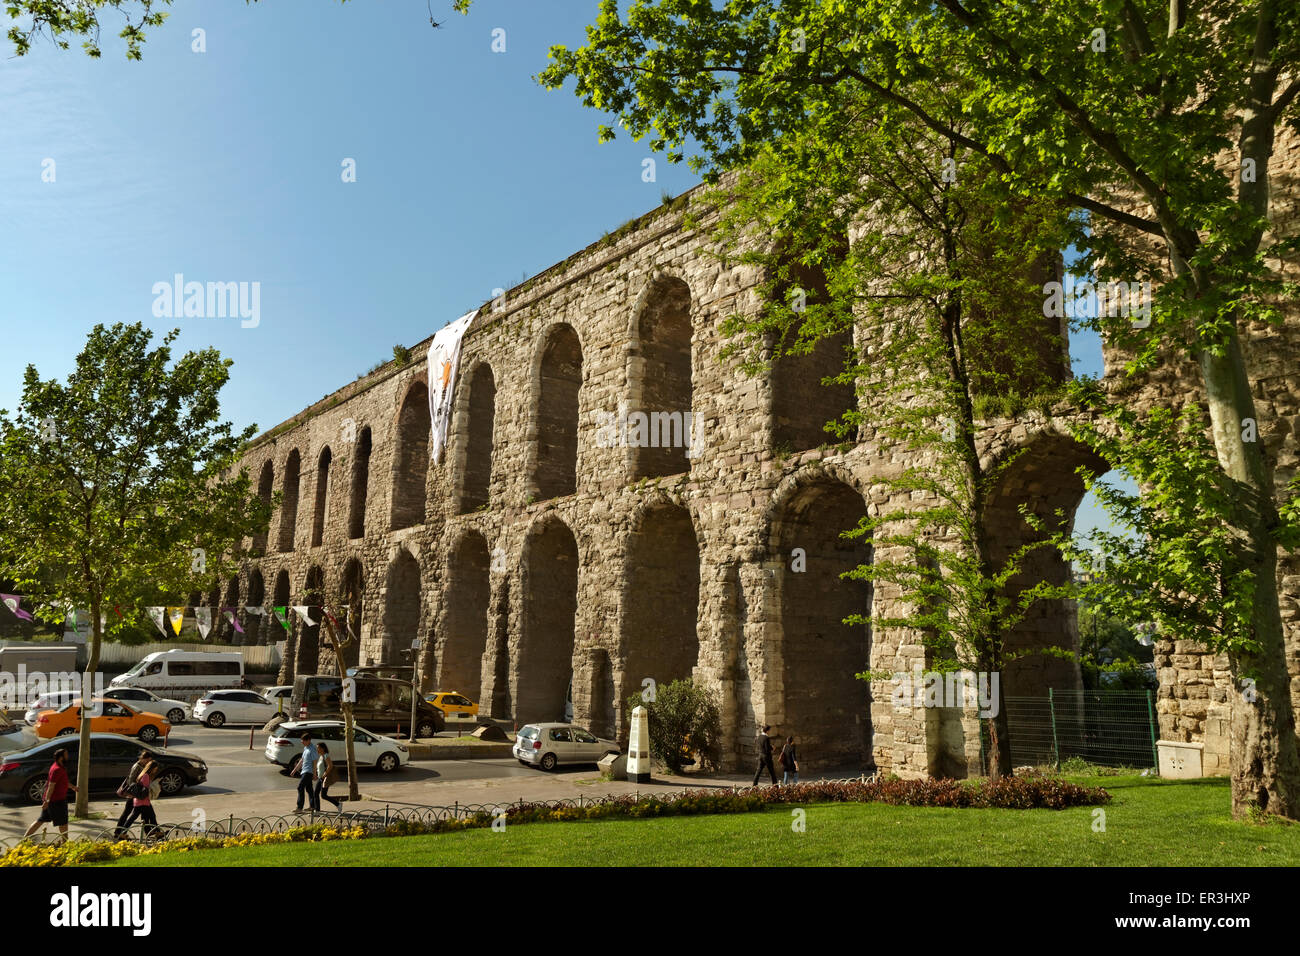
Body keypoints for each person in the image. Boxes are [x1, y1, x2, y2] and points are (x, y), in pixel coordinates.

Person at [24, 748, 77, 843]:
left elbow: (63, 782)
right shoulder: (57, 769)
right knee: (63, 822)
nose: (68, 756)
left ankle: (25, 839)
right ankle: (65, 843)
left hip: (53, 800)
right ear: (61, 757)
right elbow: (51, 786)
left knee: (41, 820)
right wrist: (47, 801)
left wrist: (73, 787)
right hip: (56, 801)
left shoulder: (58, 767)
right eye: (66, 755)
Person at [116, 759, 161, 842]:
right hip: (143, 802)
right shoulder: (146, 776)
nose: (156, 770)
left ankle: (157, 833)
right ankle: (158, 833)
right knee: (148, 817)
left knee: (140, 817)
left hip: (138, 801)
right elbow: (146, 790)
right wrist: (155, 784)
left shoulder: (142, 774)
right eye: (155, 768)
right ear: (152, 768)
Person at [115, 749, 150, 834]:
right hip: (134, 793)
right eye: (147, 760)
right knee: (128, 813)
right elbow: (131, 780)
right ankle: (119, 831)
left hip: (137, 793)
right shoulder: (137, 766)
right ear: (142, 758)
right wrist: (135, 793)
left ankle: (148, 831)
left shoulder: (141, 766)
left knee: (143, 813)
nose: (148, 762)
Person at [289, 732, 318, 812]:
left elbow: (315, 762)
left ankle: (299, 807)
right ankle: (312, 806)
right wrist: (294, 770)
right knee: (309, 789)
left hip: (309, 771)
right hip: (304, 771)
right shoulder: (306, 748)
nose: (302, 742)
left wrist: (314, 774)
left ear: (308, 740)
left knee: (300, 787)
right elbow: (302, 760)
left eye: (303, 741)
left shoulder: (313, 749)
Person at [314, 742, 342, 811]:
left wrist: (324, 775)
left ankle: (338, 804)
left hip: (324, 778)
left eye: (318, 748)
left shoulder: (326, 755)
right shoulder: (320, 757)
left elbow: (330, 765)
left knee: (323, 795)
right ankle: (317, 810)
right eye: (317, 748)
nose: (317, 749)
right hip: (320, 778)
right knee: (316, 793)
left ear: (323, 748)